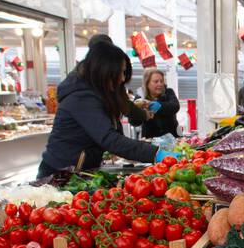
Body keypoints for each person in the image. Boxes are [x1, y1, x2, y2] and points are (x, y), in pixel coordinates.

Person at [37, 40, 175, 179]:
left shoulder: (99, 91)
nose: (122, 78)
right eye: (120, 72)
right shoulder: (81, 97)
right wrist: (155, 154)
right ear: (105, 71)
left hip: (80, 169)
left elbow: (118, 125)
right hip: (60, 173)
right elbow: (110, 139)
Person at [136, 69, 180, 140]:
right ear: (147, 83)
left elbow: (175, 106)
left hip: (172, 138)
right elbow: (134, 122)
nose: (160, 84)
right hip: (151, 140)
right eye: (156, 81)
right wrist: (140, 111)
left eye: (161, 81)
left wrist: (156, 105)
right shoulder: (140, 97)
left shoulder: (169, 92)